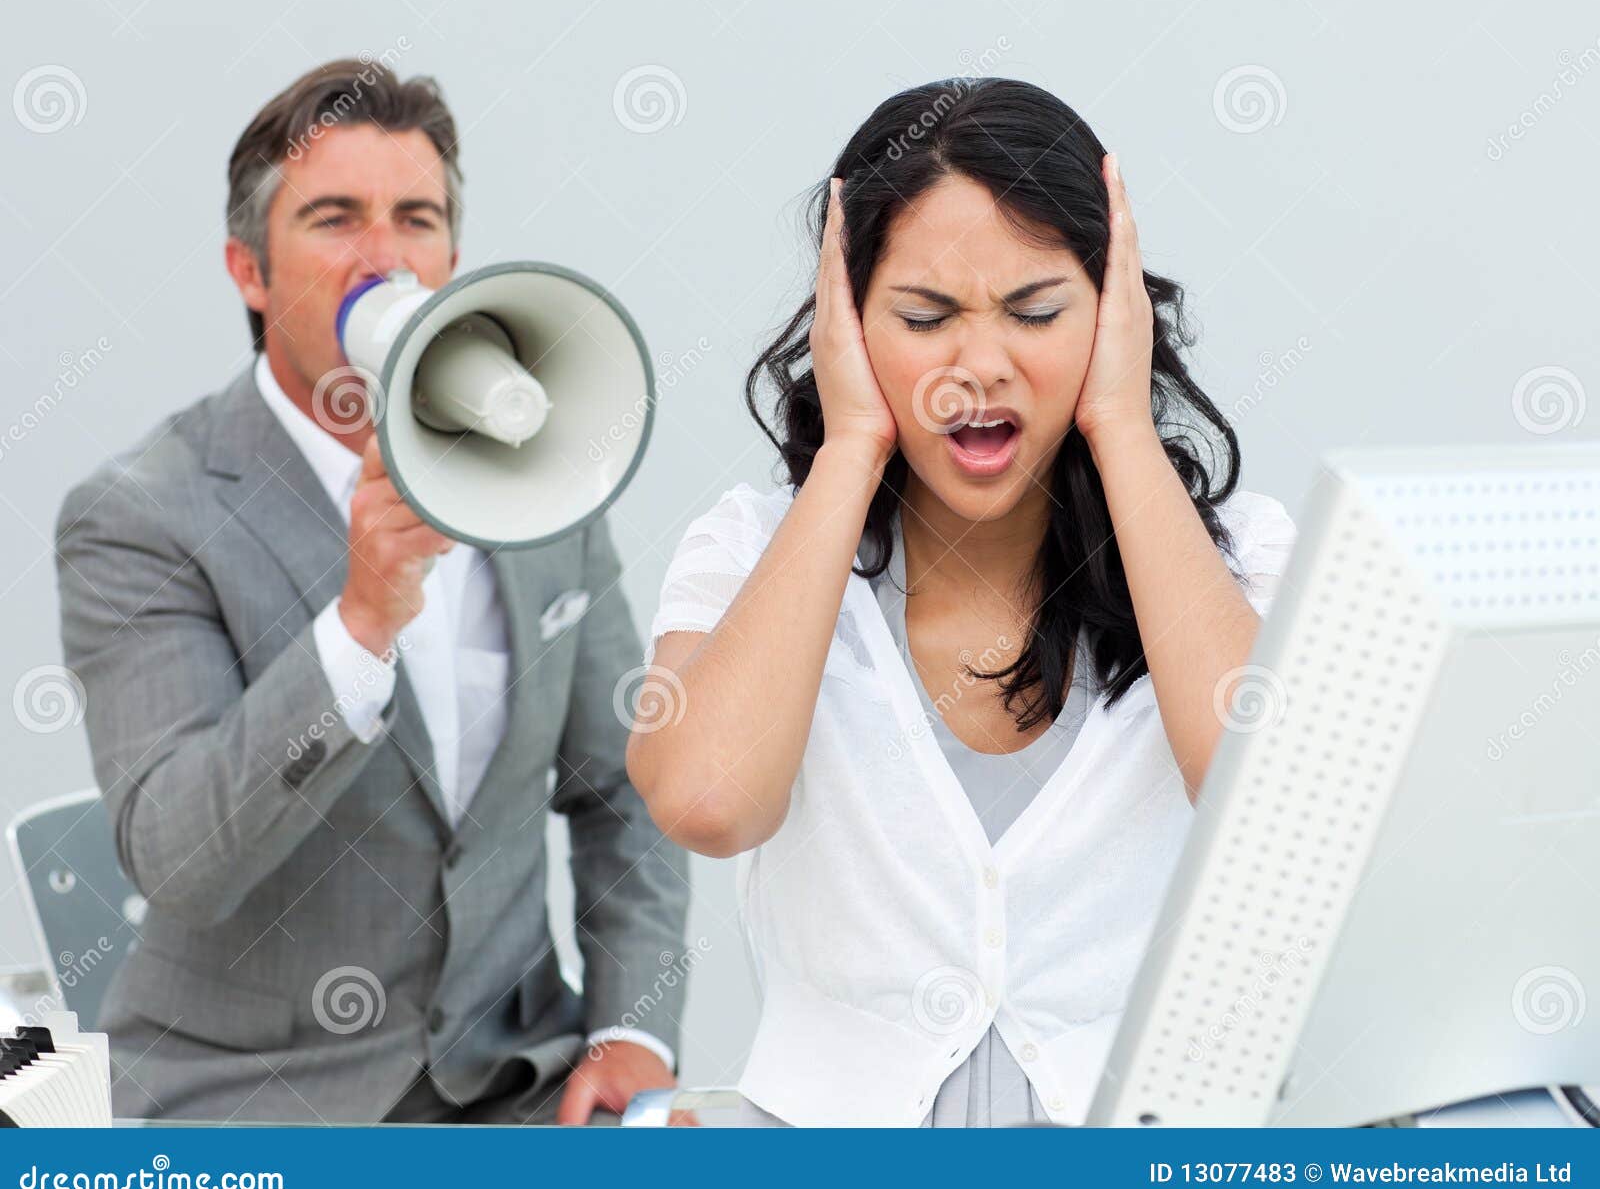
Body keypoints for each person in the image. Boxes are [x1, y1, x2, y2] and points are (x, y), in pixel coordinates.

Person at [626, 78, 1296, 1127]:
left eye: (1035, 312)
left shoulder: (1237, 552)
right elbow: (706, 800)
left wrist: (1119, 419)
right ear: (845, 322)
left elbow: (1280, 807)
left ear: (1112, 313)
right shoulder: (752, 549)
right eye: (923, 317)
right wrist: (852, 445)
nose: (978, 367)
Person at [53, 59, 689, 1125]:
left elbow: (622, 785)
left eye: (417, 217)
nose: (384, 257)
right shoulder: (141, 515)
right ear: (248, 269)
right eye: (335, 217)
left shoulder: (542, 484)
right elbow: (178, 859)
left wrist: (632, 1027)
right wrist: (358, 627)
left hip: (514, 1091)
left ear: (453, 256)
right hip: (252, 1105)